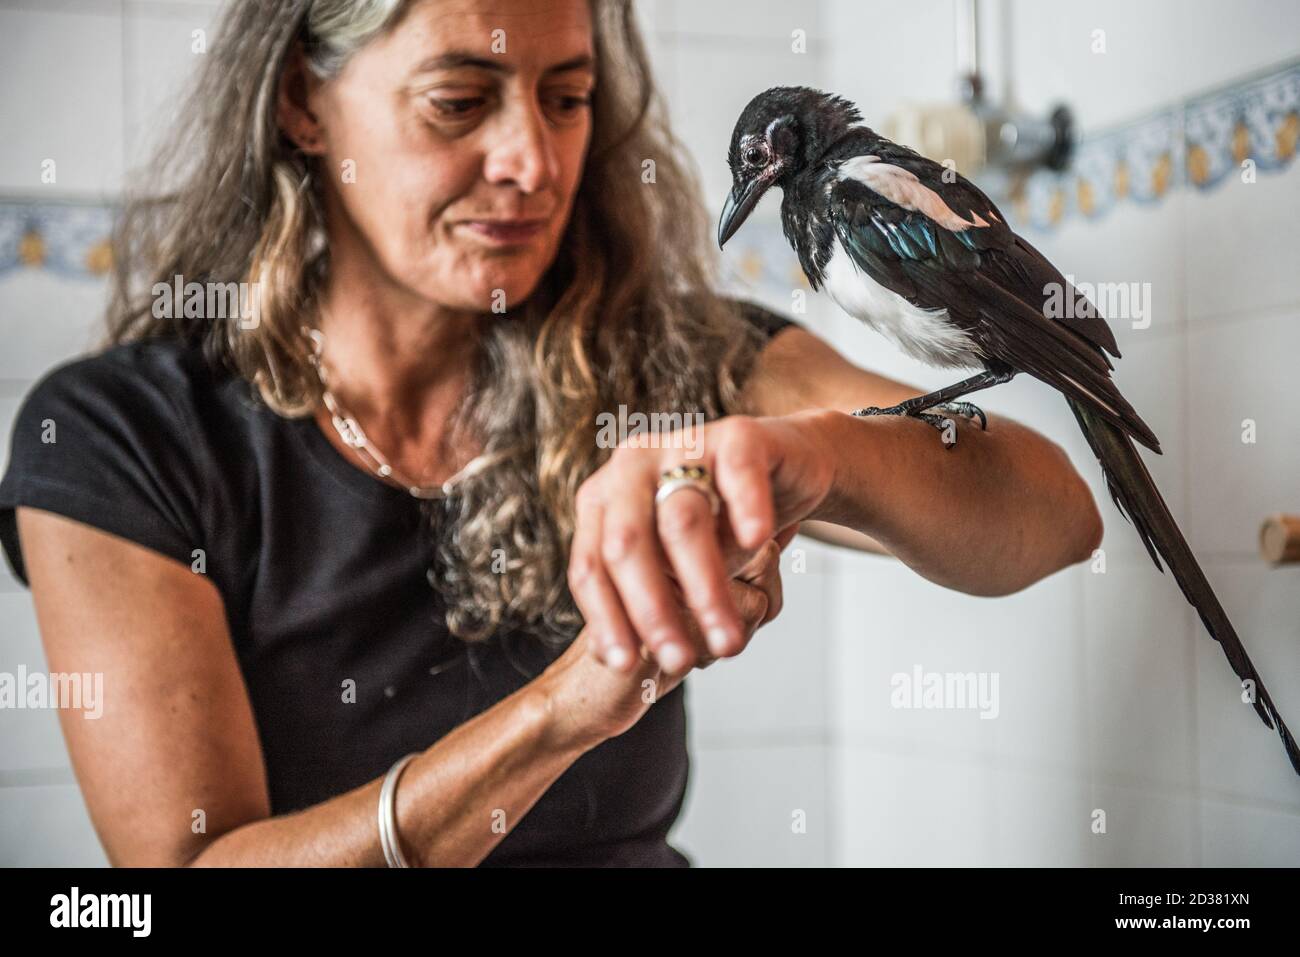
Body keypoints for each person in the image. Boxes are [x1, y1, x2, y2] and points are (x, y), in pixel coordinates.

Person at [0, 0, 1102, 867]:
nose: (532, 159)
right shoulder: (118, 437)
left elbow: (1051, 516)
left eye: (567, 97)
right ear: (303, 102)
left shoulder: (677, 356)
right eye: (457, 100)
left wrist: (812, 453)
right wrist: (563, 713)